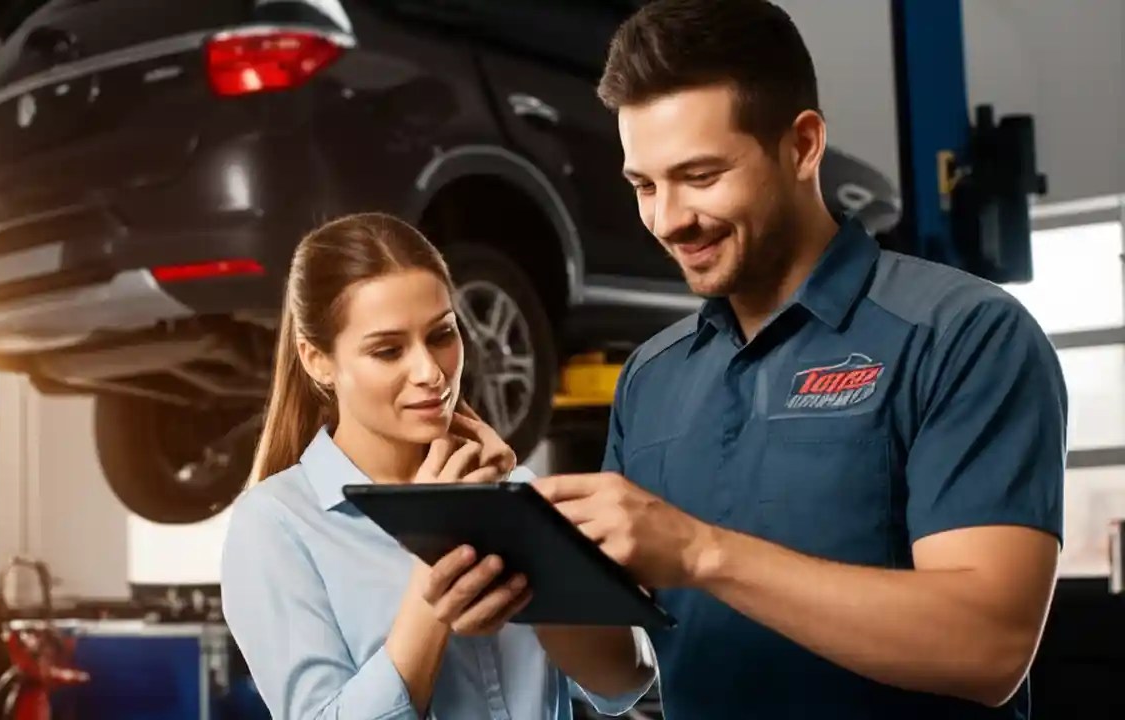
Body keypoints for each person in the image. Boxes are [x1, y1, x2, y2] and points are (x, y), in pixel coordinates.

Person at [425, 1, 1067, 718]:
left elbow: (988, 648)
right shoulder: (653, 377)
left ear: (803, 146)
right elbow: (618, 676)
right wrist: (530, 574)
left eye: (700, 176)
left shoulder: (964, 335)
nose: (668, 219)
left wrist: (703, 554)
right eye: (644, 185)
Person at [219, 213, 656, 719]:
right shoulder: (275, 524)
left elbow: (626, 682)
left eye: (442, 334)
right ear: (317, 360)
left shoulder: (513, 489)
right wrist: (433, 579)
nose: (430, 372)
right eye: (388, 350)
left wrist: (527, 537)